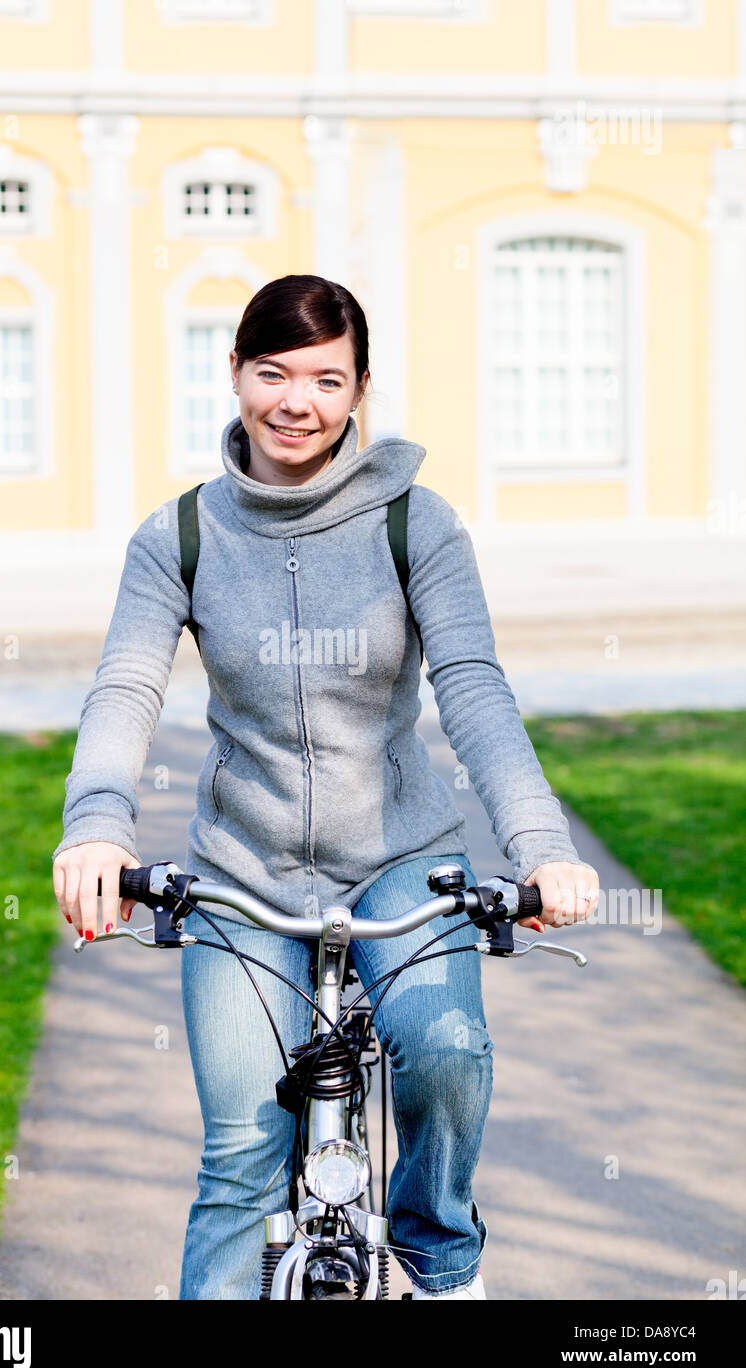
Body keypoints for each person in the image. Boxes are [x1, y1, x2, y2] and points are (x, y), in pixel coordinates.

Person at [52, 273, 600, 1301]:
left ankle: (440, 1262)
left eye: (323, 377)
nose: (293, 400)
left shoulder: (414, 522)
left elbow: (471, 689)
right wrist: (96, 828)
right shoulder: (178, 536)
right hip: (240, 872)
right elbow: (125, 685)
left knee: (442, 1049)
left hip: (400, 860)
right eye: (271, 372)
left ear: (357, 393)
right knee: (237, 1163)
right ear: (233, 376)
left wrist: (541, 848)